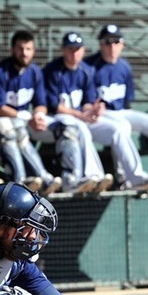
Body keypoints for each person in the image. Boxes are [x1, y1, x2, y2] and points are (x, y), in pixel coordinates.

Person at [85, 24, 148, 190]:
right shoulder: (90, 67)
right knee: (122, 127)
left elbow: (127, 102)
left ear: (122, 45)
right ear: (100, 44)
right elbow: (87, 101)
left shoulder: (125, 67)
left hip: (121, 111)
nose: (112, 46)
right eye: (107, 42)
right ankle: (125, 178)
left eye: (116, 41)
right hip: (103, 114)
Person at [0, 30, 76, 196]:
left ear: (33, 51)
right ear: (12, 49)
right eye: (20, 48)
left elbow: (41, 104)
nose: (24, 53)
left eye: (28, 49)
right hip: (4, 122)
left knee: (67, 128)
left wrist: (38, 115)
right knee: (18, 131)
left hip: (27, 120)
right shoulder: (0, 71)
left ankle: (72, 178)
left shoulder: (35, 72)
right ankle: (34, 178)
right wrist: (27, 117)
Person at [41, 32, 117, 194]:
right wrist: (81, 116)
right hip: (56, 118)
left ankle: (94, 177)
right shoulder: (53, 70)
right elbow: (55, 105)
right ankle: (91, 175)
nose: (74, 53)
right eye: (70, 49)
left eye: (77, 49)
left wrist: (93, 110)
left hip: (76, 117)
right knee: (79, 127)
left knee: (113, 128)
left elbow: (87, 103)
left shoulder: (86, 71)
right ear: (63, 50)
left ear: (83, 50)